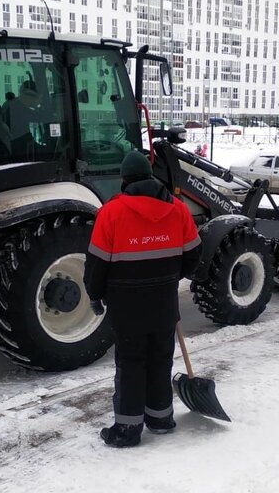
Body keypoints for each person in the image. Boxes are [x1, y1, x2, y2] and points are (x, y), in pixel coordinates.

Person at [84, 150, 202, 448]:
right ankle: (160, 419)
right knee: (160, 360)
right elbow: (193, 255)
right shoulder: (178, 210)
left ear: (124, 179)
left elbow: (97, 263)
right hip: (164, 303)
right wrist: (172, 277)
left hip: (127, 308)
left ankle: (127, 429)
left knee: (131, 364)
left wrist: (95, 294)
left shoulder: (111, 213)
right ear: (150, 176)